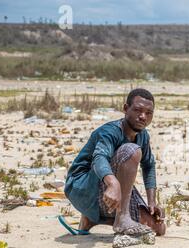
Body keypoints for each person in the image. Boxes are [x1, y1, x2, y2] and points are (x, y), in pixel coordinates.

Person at [61, 88, 165, 237]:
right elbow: (99, 158)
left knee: (157, 227)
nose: (143, 116)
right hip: (81, 187)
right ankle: (122, 217)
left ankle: (92, 219)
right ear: (125, 108)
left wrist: (152, 202)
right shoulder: (110, 132)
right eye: (137, 110)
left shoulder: (143, 135)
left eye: (149, 113)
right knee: (131, 150)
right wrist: (113, 183)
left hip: (106, 185)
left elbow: (149, 165)